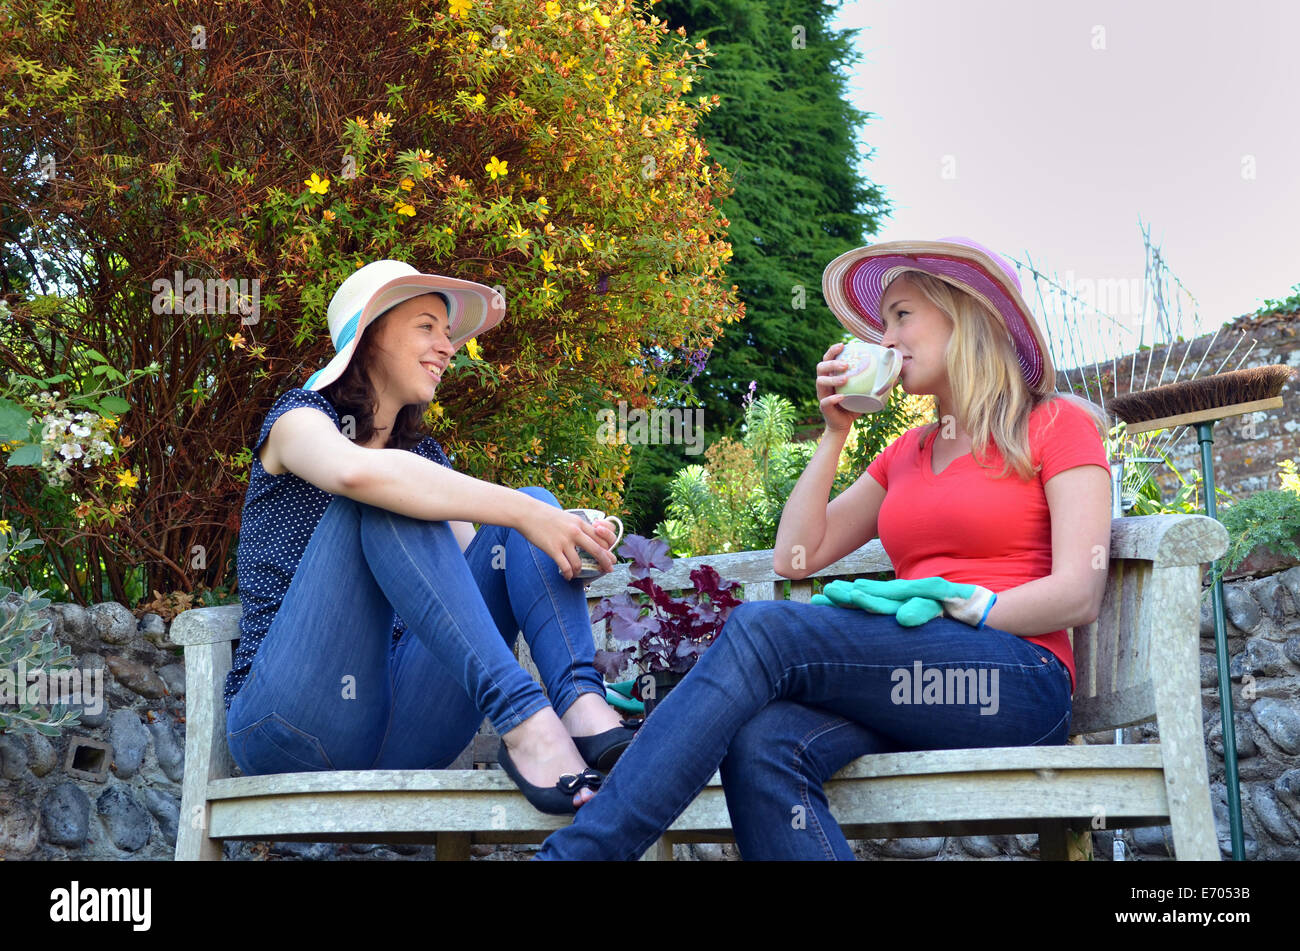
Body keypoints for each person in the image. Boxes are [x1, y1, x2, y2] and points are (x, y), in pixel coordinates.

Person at [536, 236, 1114, 859]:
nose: (885, 340)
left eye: (903, 315)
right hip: (910, 685)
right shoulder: (907, 454)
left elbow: (1079, 591)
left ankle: (581, 854)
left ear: (968, 316)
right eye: (883, 321)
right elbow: (797, 558)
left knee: (765, 630)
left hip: (1016, 683)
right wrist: (835, 432)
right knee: (761, 741)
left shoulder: (1056, 425)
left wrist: (965, 605)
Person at [223, 259, 637, 813]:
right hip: (292, 723)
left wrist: (562, 528)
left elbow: (471, 571)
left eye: (448, 333)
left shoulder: (423, 459)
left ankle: (581, 704)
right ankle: (527, 721)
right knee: (384, 499)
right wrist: (519, 512)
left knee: (532, 505)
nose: (447, 346)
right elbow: (354, 475)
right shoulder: (297, 419)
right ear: (368, 337)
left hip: (408, 731)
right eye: (426, 326)